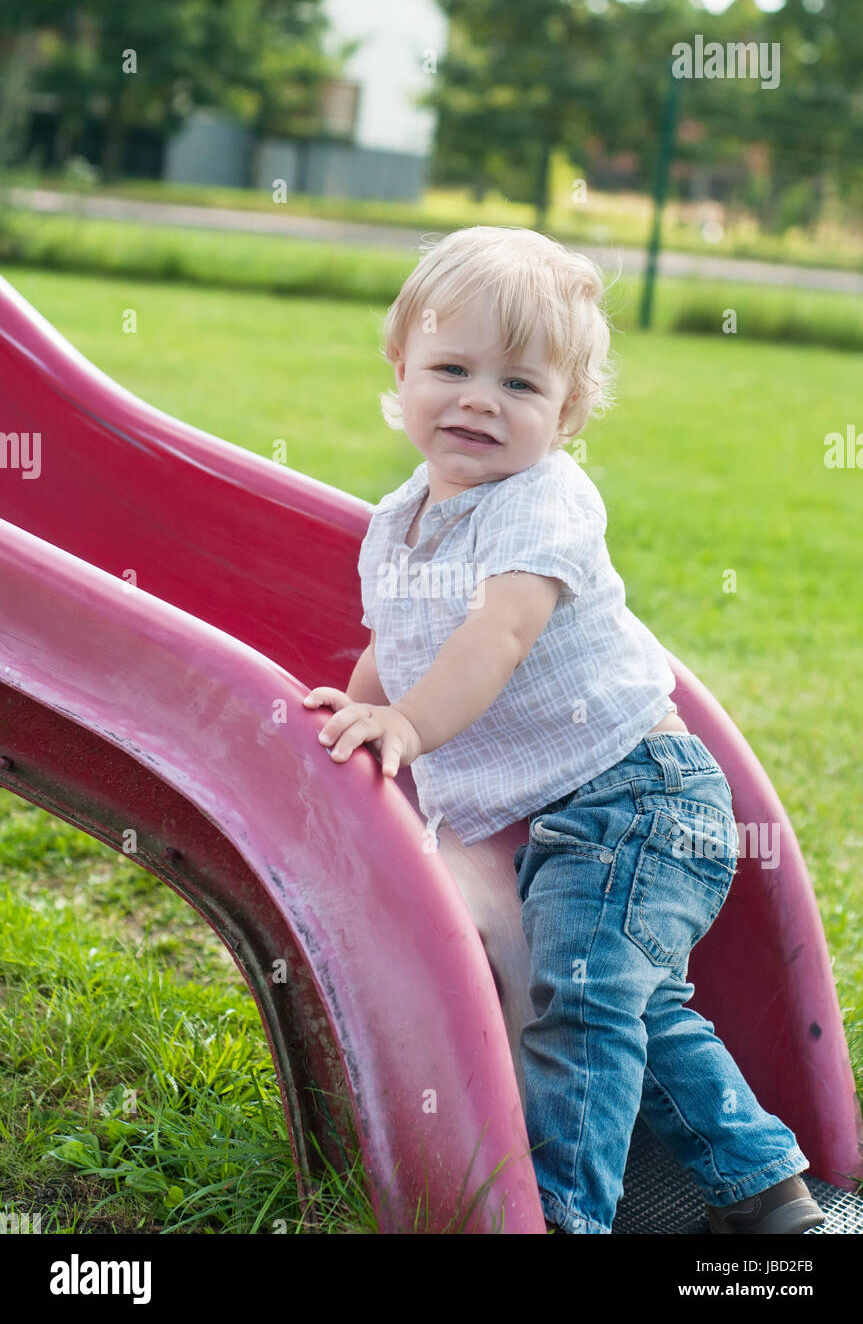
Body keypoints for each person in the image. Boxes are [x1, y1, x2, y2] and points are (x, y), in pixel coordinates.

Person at [302, 225, 824, 1235]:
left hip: (639, 798)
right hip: (576, 819)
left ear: (568, 410)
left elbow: (494, 634)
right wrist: (356, 703)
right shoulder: (398, 517)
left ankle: (563, 1218)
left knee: (573, 1001)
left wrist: (409, 723)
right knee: (621, 1000)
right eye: (449, 368)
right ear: (399, 369)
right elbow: (400, 641)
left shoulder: (546, 503)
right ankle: (765, 1194)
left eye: (519, 385)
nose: (477, 400)